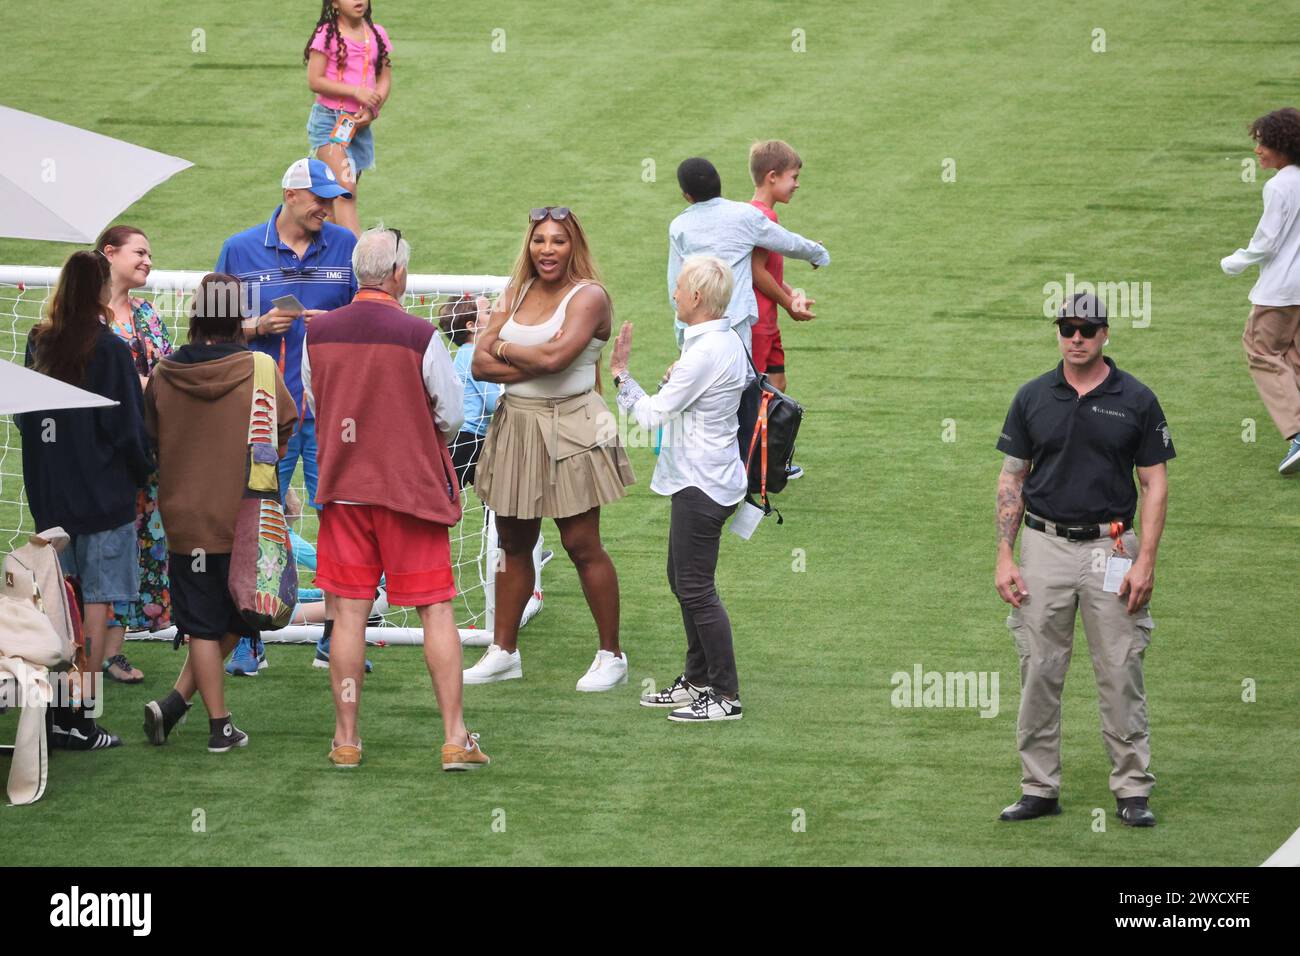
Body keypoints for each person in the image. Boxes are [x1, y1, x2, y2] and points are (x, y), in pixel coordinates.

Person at [303, 226, 488, 771]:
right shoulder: (419, 335)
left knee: (349, 617)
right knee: (435, 611)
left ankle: (346, 739)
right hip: (410, 493)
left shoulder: (320, 333)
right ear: (399, 275)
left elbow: (317, 399)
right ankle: (455, 737)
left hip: (344, 493)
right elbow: (451, 416)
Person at [994, 293, 1174, 827]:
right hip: (1042, 546)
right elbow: (1012, 477)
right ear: (1058, 333)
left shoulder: (1136, 399)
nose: (1076, 338)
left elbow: (1155, 483)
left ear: (1105, 334)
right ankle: (1039, 787)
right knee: (1039, 669)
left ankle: (1132, 790)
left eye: (1087, 329)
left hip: (1111, 547)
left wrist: (1147, 561)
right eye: (1068, 328)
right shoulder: (1032, 397)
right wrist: (1005, 554)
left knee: (1120, 669)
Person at [468, 207, 636, 691]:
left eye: (558, 241)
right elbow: (480, 363)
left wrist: (505, 348)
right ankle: (504, 650)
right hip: (516, 426)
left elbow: (559, 357)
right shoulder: (514, 292)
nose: (547, 250)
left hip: (573, 427)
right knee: (512, 544)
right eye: (539, 240)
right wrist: (530, 360)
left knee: (581, 544)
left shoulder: (589, 297)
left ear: (573, 246)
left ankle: (611, 655)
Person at [141, 274, 297, 751]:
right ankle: (217, 724)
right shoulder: (261, 367)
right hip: (247, 514)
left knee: (204, 624)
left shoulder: (165, 374)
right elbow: (287, 423)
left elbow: (150, 440)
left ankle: (185, 710)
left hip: (185, 519)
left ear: (195, 315)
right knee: (244, 615)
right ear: (236, 317)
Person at [214, 157, 357, 674]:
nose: (326, 206)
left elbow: (371, 317)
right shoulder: (240, 249)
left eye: (332, 197)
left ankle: (335, 638)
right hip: (265, 417)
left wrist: (339, 323)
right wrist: (257, 325)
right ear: (290, 195)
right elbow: (213, 331)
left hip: (334, 416)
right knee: (256, 524)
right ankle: (250, 636)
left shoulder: (346, 248)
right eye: (318, 197)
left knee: (341, 522)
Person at [18, 250, 152, 750]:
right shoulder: (111, 351)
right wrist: (144, 473)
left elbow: (25, 418)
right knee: (96, 604)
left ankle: (56, 712)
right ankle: (79, 715)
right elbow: (128, 432)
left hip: (52, 499)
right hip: (103, 501)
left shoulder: (39, 343)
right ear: (99, 290)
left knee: (58, 604)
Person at [613, 256, 750, 722]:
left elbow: (650, 415)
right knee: (683, 581)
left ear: (695, 297)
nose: (673, 294)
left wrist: (621, 375)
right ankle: (698, 681)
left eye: (678, 288)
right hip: (709, 478)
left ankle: (725, 694)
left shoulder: (705, 352)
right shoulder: (724, 341)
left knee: (695, 587)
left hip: (701, 484)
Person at [96, 225, 174, 684]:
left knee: (138, 548)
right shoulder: (85, 318)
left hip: (145, 457)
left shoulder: (146, 314)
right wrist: (136, 387)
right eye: (140, 252)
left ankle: (114, 652)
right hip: (99, 456)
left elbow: (167, 377)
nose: (148, 260)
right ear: (110, 253)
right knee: (96, 548)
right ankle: (82, 647)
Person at [668, 157, 829, 354]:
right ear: (719, 182)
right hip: (735, 321)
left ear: (687, 196)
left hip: (696, 326)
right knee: (739, 381)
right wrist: (816, 253)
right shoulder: (744, 215)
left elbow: (675, 283)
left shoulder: (679, 226)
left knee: (698, 383)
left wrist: (681, 331)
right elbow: (788, 242)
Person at [1221, 106, 1300, 475]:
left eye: (1263, 143)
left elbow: (1267, 241)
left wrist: (1235, 261)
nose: (1258, 150)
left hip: (1281, 290)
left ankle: (1297, 433)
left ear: (1284, 145)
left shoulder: (1280, 185)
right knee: (1294, 358)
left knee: (1262, 351)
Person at [748, 140, 818, 479]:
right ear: (772, 177)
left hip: (768, 321)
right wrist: (788, 303)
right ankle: (752, 466)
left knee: (777, 383)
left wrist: (790, 296)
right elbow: (756, 272)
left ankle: (771, 458)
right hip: (758, 322)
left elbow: (768, 272)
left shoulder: (759, 214)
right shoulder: (763, 217)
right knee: (757, 394)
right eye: (794, 176)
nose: (798, 184)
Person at [304, 0, 393, 237]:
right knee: (345, 188)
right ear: (334, 3)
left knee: (334, 201)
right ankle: (357, 257)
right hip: (329, 123)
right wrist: (355, 91)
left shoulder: (376, 33)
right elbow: (315, 80)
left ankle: (327, 256)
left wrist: (373, 109)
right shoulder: (327, 34)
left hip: (359, 127)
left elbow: (384, 78)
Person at [439, 295, 501, 488]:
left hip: (473, 436)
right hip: (466, 438)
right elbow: (494, 402)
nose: (495, 314)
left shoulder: (467, 352)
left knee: (494, 496)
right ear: (471, 326)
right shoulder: (474, 355)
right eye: (489, 312)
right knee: (445, 501)